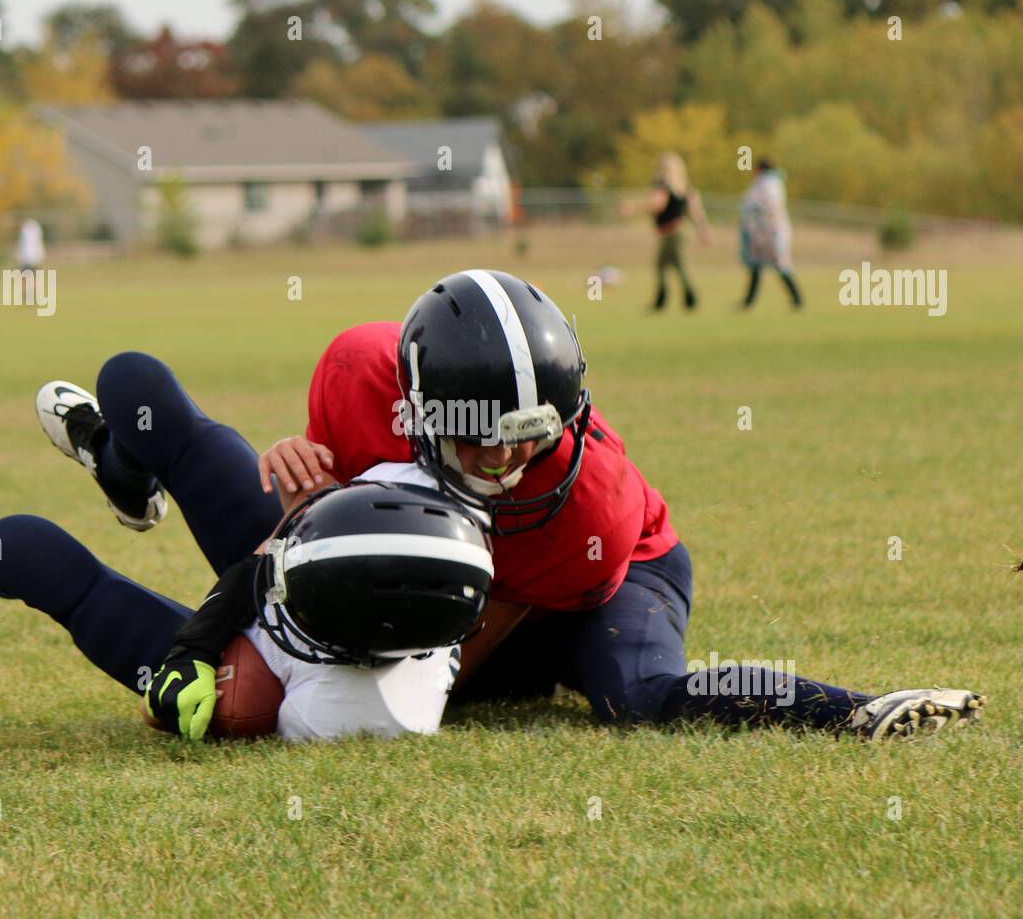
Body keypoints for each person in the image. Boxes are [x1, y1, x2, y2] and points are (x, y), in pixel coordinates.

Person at [254, 270, 984, 740]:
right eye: (477, 436)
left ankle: (854, 709)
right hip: (485, 569)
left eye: (526, 437)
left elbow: (458, 661)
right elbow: (350, 528)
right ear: (413, 404)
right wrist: (300, 498)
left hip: (612, 575)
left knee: (637, 694)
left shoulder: (588, 502)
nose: (503, 458)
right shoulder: (357, 374)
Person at [0, 357, 494, 743]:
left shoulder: (368, 709)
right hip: (298, 545)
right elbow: (267, 556)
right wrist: (299, 501)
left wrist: (189, 669)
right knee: (134, 385)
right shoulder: (425, 496)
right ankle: (123, 472)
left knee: (20, 552)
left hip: (270, 645)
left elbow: (214, 704)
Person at [643, 152, 710, 310]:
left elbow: (658, 205)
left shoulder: (663, 186)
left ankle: (674, 299)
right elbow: (696, 211)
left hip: (671, 232)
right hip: (679, 231)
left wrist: (633, 209)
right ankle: (686, 299)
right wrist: (703, 230)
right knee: (676, 266)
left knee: (666, 266)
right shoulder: (685, 187)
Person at [738, 159, 803, 308]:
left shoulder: (769, 184)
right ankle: (748, 301)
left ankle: (797, 298)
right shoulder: (765, 183)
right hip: (761, 232)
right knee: (756, 266)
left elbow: (770, 206)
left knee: (780, 264)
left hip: (770, 232)